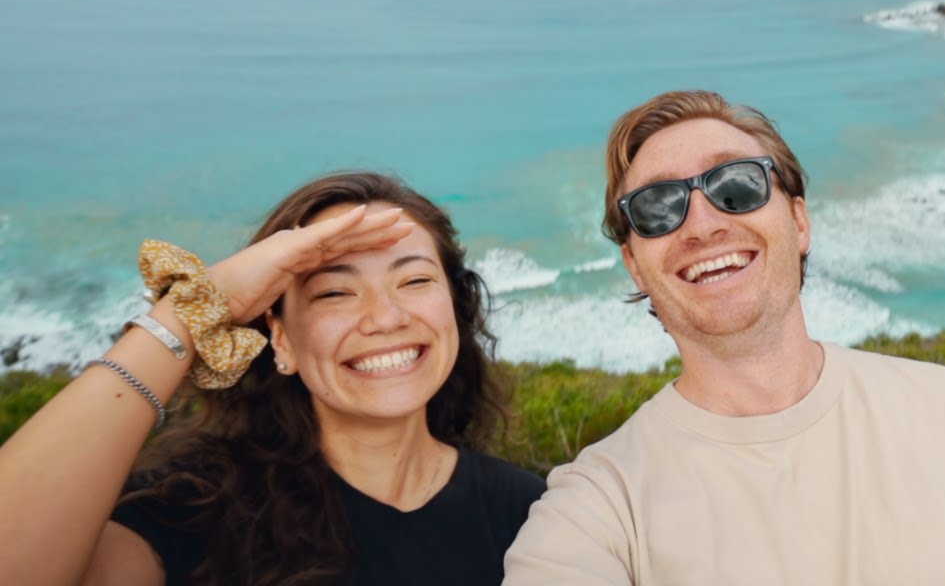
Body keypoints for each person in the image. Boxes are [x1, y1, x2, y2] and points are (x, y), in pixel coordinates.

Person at [503, 90, 945, 585]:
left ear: (799, 219)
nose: (701, 221)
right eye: (656, 207)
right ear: (635, 265)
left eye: (736, 184)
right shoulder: (598, 509)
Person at [0, 172, 545, 586]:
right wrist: (193, 311)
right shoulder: (189, 510)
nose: (386, 317)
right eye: (334, 291)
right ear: (280, 340)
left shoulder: (535, 515)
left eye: (415, 280)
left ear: (455, 306)